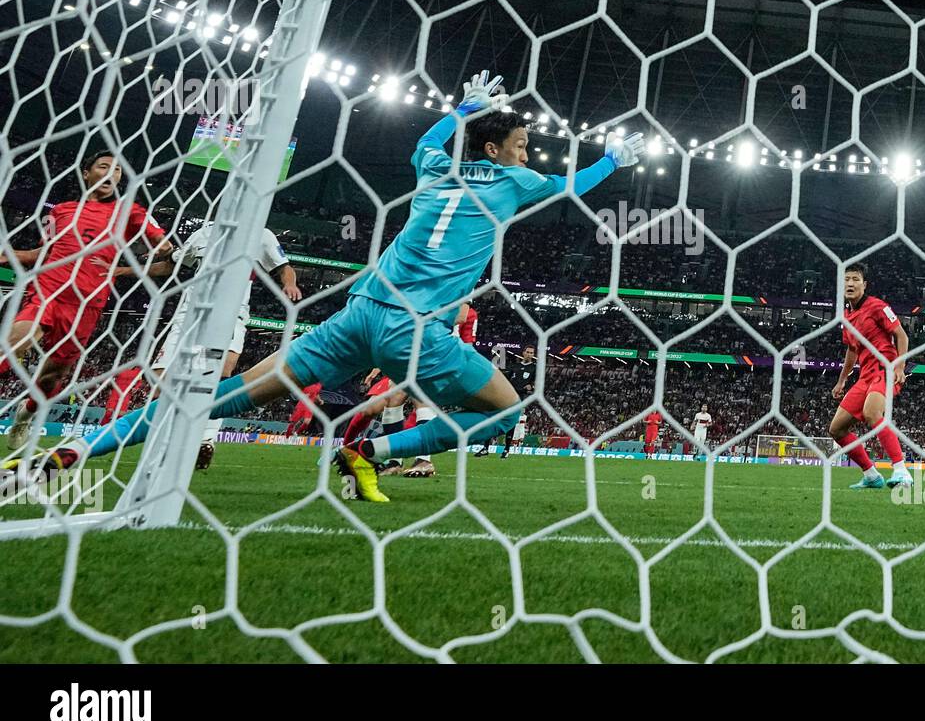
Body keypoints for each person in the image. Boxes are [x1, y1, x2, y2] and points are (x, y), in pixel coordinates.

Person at [25, 71, 643, 504]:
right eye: (521, 145)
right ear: (496, 149)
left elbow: (425, 143)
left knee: (227, 396)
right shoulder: (514, 184)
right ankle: (374, 452)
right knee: (506, 408)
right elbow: (574, 186)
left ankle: (84, 447)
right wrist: (614, 159)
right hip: (417, 330)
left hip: (360, 313)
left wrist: (458, 107)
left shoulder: (437, 169)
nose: (527, 154)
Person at [3, 149, 172, 450]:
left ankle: (24, 416)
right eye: (103, 165)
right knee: (17, 339)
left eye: (117, 170)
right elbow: (45, 253)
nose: (110, 173)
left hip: (87, 303)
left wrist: (162, 245)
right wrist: (10, 256)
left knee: (53, 376)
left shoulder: (129, 211)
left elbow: (158, 238)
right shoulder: (61, 211)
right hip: (49, 289)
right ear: (86, 173)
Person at [150, 221, 301, 469]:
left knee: (222, 370)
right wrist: (124, 271)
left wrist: (289, 283)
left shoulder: (261, 234)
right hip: (189, 313)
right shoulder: (203, 233)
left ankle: (205, 440)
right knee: (159, 380)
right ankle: (171, 437)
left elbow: (284, 267)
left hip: (232, 312)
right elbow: (171, 264)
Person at [829, 262, 911, 489]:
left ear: (864, 285)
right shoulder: (846, 317)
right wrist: (842, 380)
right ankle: (871, 475)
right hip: (865, 377)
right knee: (836, 429)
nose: (850, 283)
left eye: (855, 279)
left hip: (885, 370)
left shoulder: (877, 306)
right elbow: (852, 350)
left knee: (871, 412)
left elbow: (901, 336)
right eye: (846, 279)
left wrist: (899, 366)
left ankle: (901, 471)